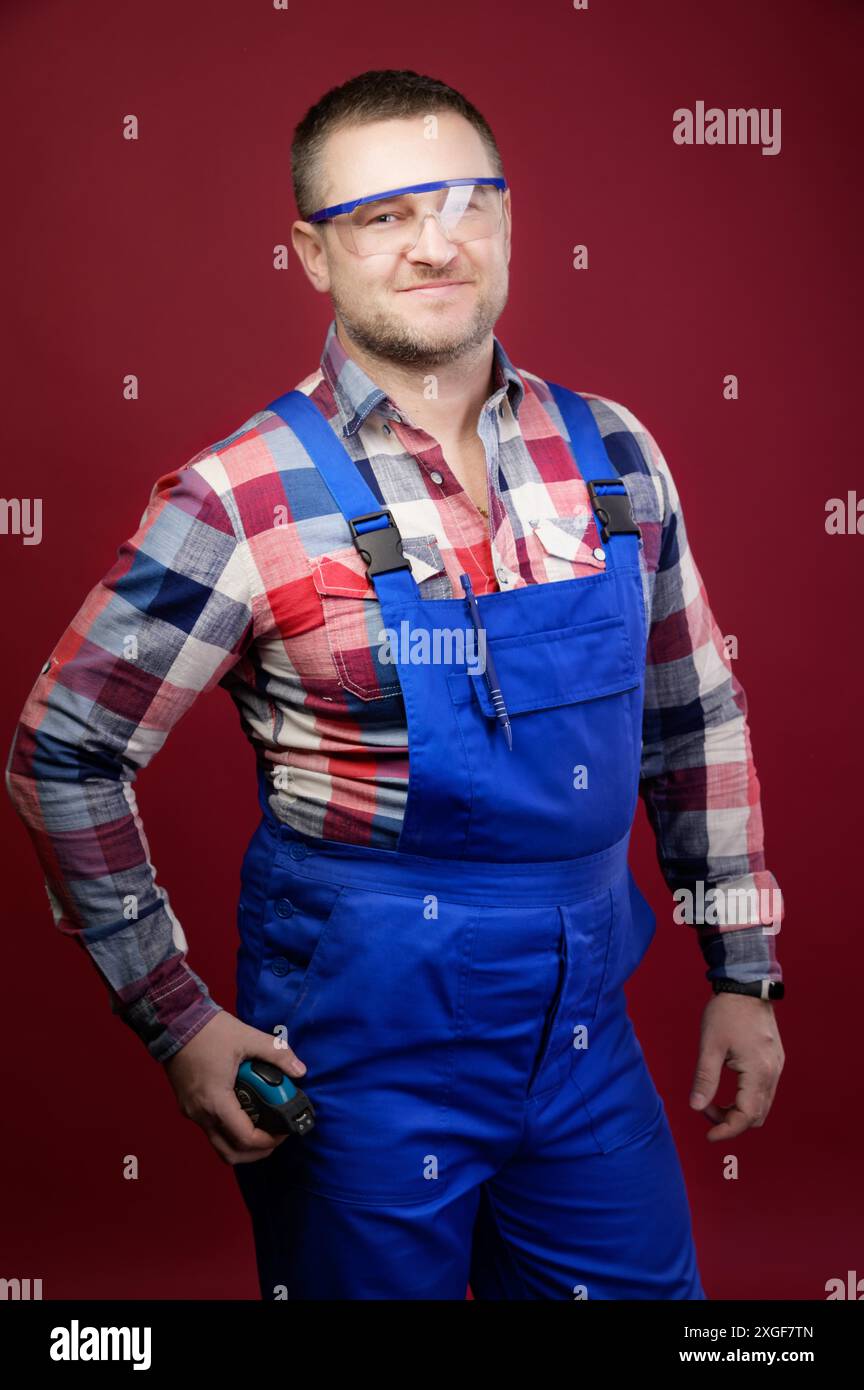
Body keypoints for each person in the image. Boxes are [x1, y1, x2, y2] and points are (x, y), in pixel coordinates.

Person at [6, 68, 785, 1300]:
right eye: (385, 216)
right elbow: (64, 746)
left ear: (512, 226)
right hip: (358, 1050)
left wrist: (742, 968)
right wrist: (176, 1015)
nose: (439, 242)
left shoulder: (618, 455)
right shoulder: (242, 493)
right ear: (312, 255)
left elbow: (690, 714)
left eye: (472, 202)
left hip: (584, 1038)